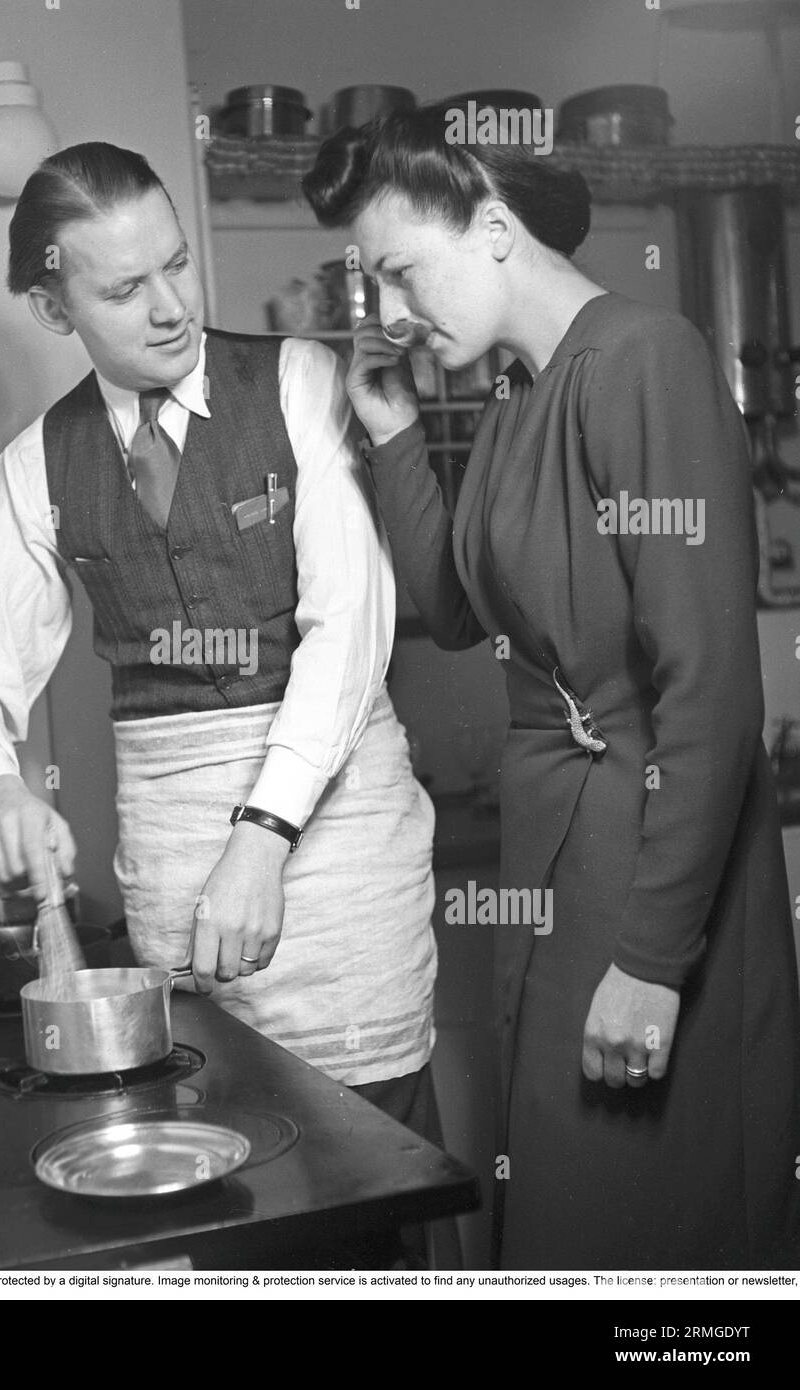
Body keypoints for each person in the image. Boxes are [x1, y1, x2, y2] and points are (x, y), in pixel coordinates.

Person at [302, 108, 800, 1270]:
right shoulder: (522, 392)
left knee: (650, 1209)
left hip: (648, 860)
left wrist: (652, 960)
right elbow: (458, 605)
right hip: (555, 858)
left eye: (398, 271)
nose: (391, 311)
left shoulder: (645, 359)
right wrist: (393, 439)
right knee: (570, 1201)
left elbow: (713, 690)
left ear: (489, 225)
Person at [0, 143, 446, 1171]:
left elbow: (349, 631)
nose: (169, 308)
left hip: (338, 856)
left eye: (178, 265)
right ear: (54, 307)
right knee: (223, 1168)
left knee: (377, 1171)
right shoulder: (35, 468)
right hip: (174, 865)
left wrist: (262, 836)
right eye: (124, 288)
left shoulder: (301, 381)